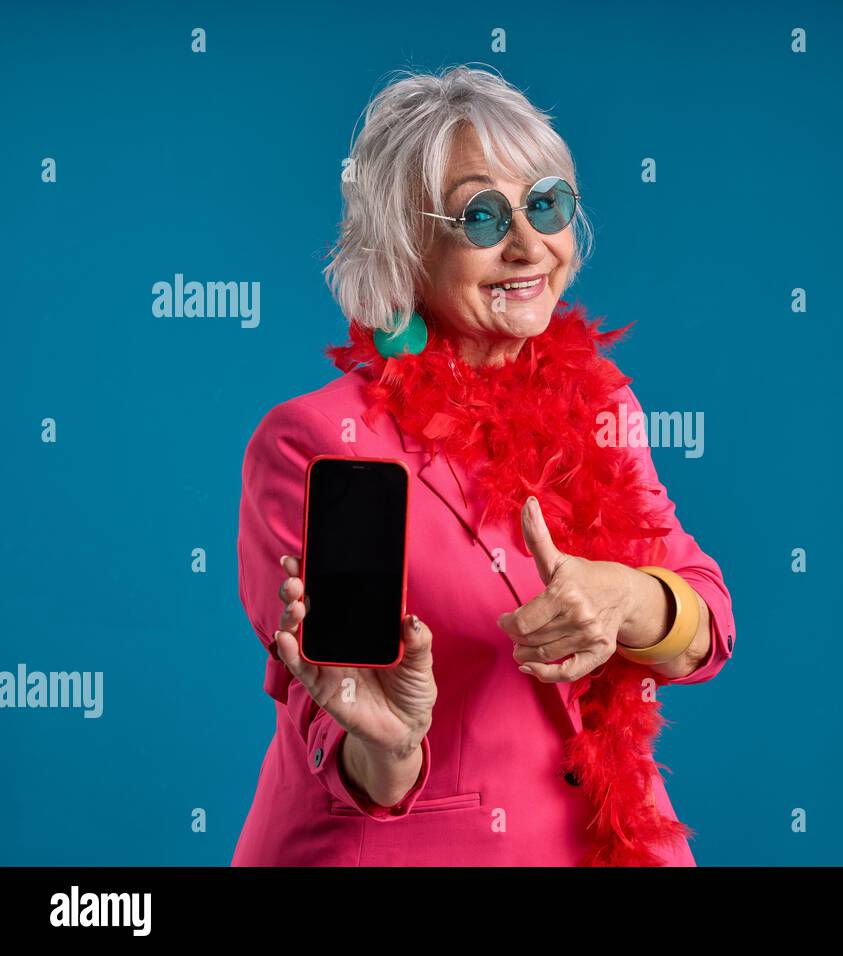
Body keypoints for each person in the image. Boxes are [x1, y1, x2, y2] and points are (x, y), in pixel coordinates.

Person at [231, 65, 736, 866]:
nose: (529, 244)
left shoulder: (603, 404)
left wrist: (628, 599)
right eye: (482, 217)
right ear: (404, 242)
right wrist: (389, 746)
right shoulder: (318, 442)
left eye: (546, 204)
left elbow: (705, 628)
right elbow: (338, 732)